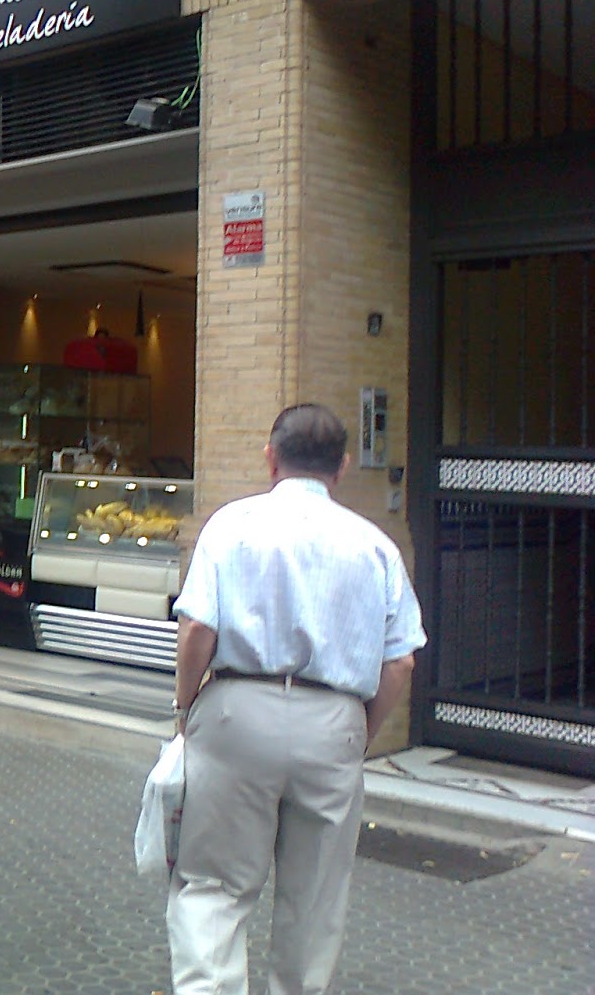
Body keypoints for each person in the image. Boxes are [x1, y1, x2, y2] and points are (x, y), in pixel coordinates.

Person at [165, 404, 427, 995]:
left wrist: (185, 708)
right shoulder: (377, 547)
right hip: (334, 721)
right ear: (343, 464)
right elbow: (402, 659)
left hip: (237, 712)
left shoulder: (230, 526)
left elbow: (198, 631)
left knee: (212, 887)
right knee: (315, 902)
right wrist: (360, 730)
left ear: (270, 456)